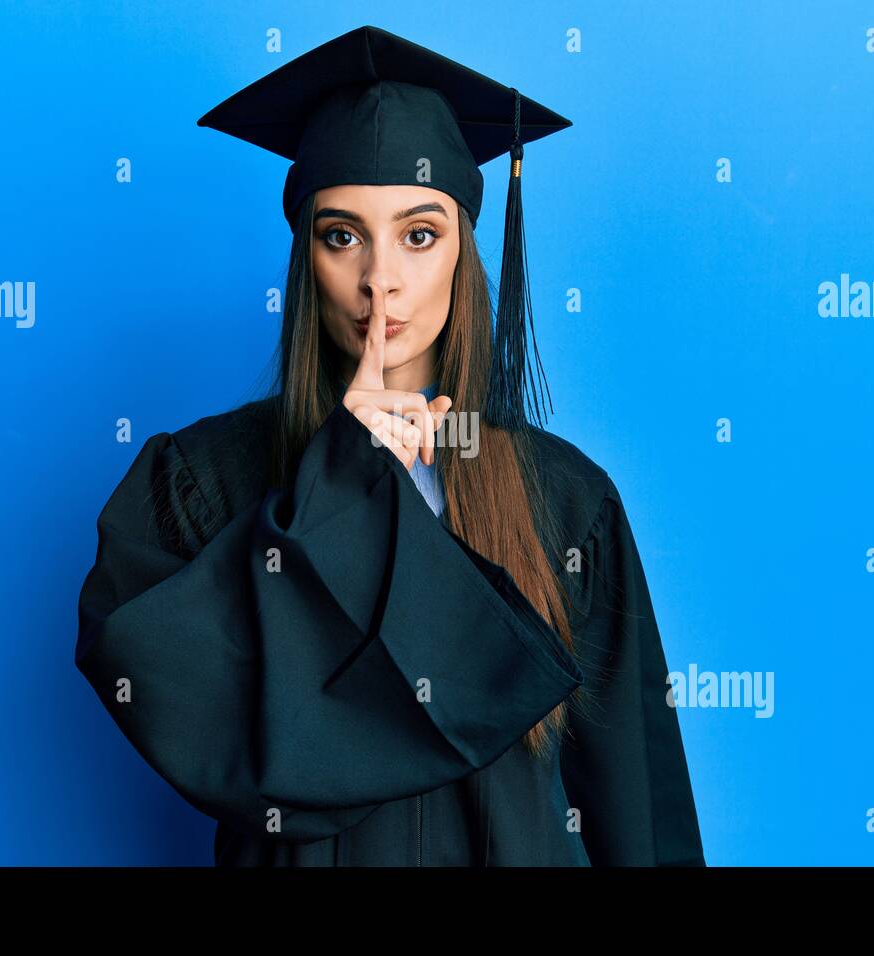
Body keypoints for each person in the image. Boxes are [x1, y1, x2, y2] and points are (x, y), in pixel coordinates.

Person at [75, 24, 705, 866]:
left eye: (419, 234)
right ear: (307, 259)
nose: (381, 278)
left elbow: (637, 805)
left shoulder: (562, 500)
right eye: (342, 235)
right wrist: (336, 484)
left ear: (464, 255)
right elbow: (177, 704)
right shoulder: (203, 481)